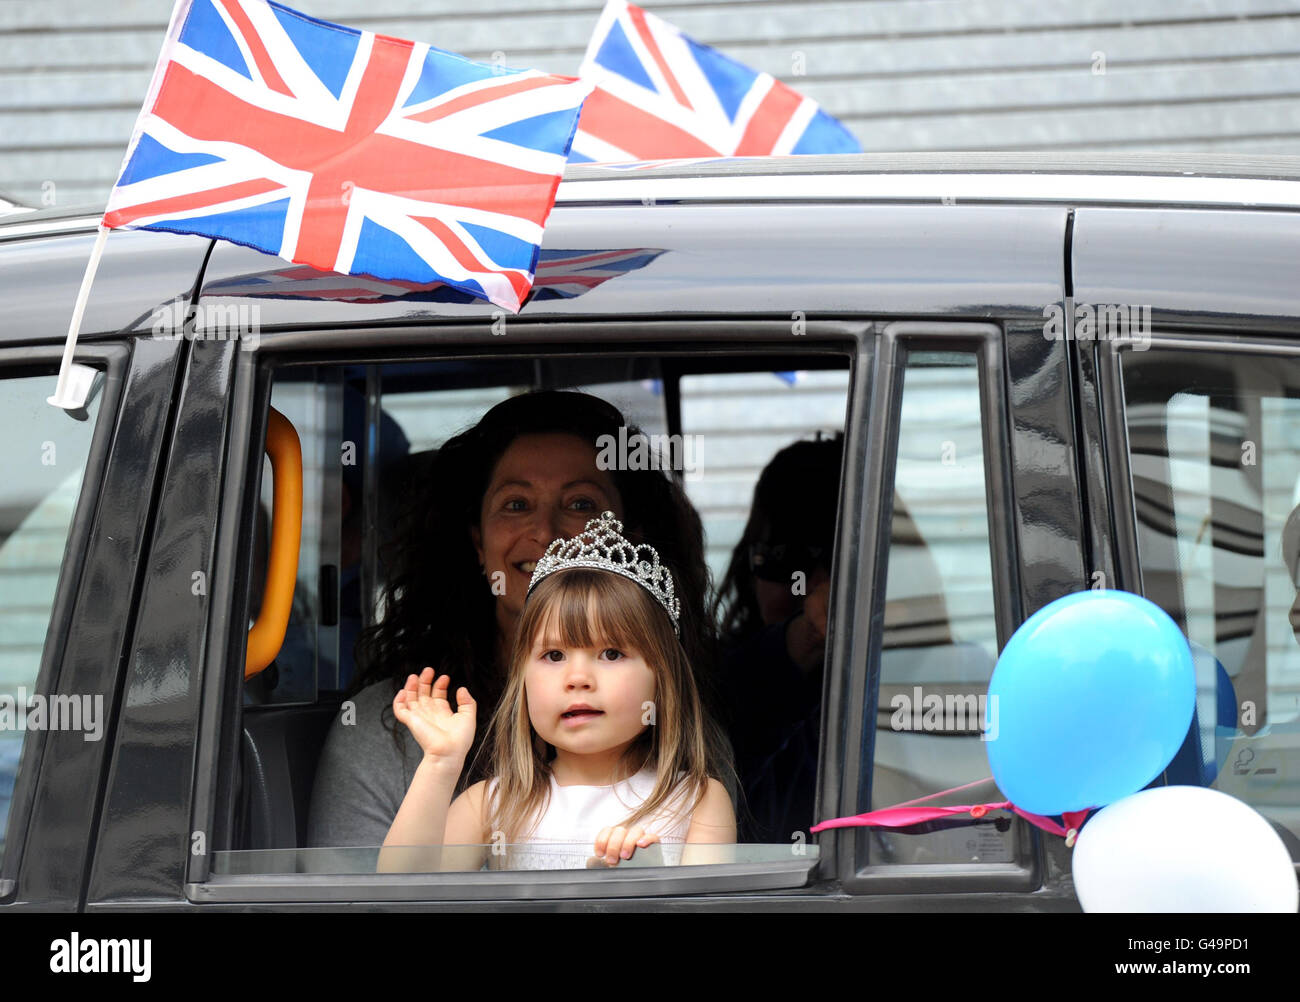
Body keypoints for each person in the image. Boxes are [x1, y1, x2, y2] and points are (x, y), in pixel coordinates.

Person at [307, 391, 724, 848]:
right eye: (516, 505)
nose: (544, 533)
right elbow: (381, 899)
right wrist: (442, 765)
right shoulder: (394, 728)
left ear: (629, 534)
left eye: (581, 504)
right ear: (477, 544)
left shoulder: (694, 773)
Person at [377, 511, 735, 871]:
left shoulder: (698, 801)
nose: (577, 678)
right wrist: (440, 764)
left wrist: (644, 884)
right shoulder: (491, 805)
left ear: (662, 678)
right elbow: (402, 896)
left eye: (611, 654)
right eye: (554, 655)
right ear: (523, 681)